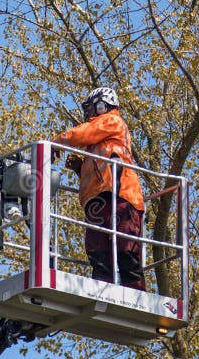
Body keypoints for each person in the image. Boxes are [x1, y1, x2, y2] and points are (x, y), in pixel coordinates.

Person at [52, 86, 146, 291]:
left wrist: (54, 143)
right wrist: (80, 167)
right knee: (99, 253)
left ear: (103, 104)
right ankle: (103, 289)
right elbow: (100, 171)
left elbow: (84, 133)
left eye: (90, 107)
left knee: (125, 250)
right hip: (98, 202)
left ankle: (136, 294)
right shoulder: (97, 145)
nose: (88, 114)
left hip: (121, 197)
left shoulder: (112, 121)